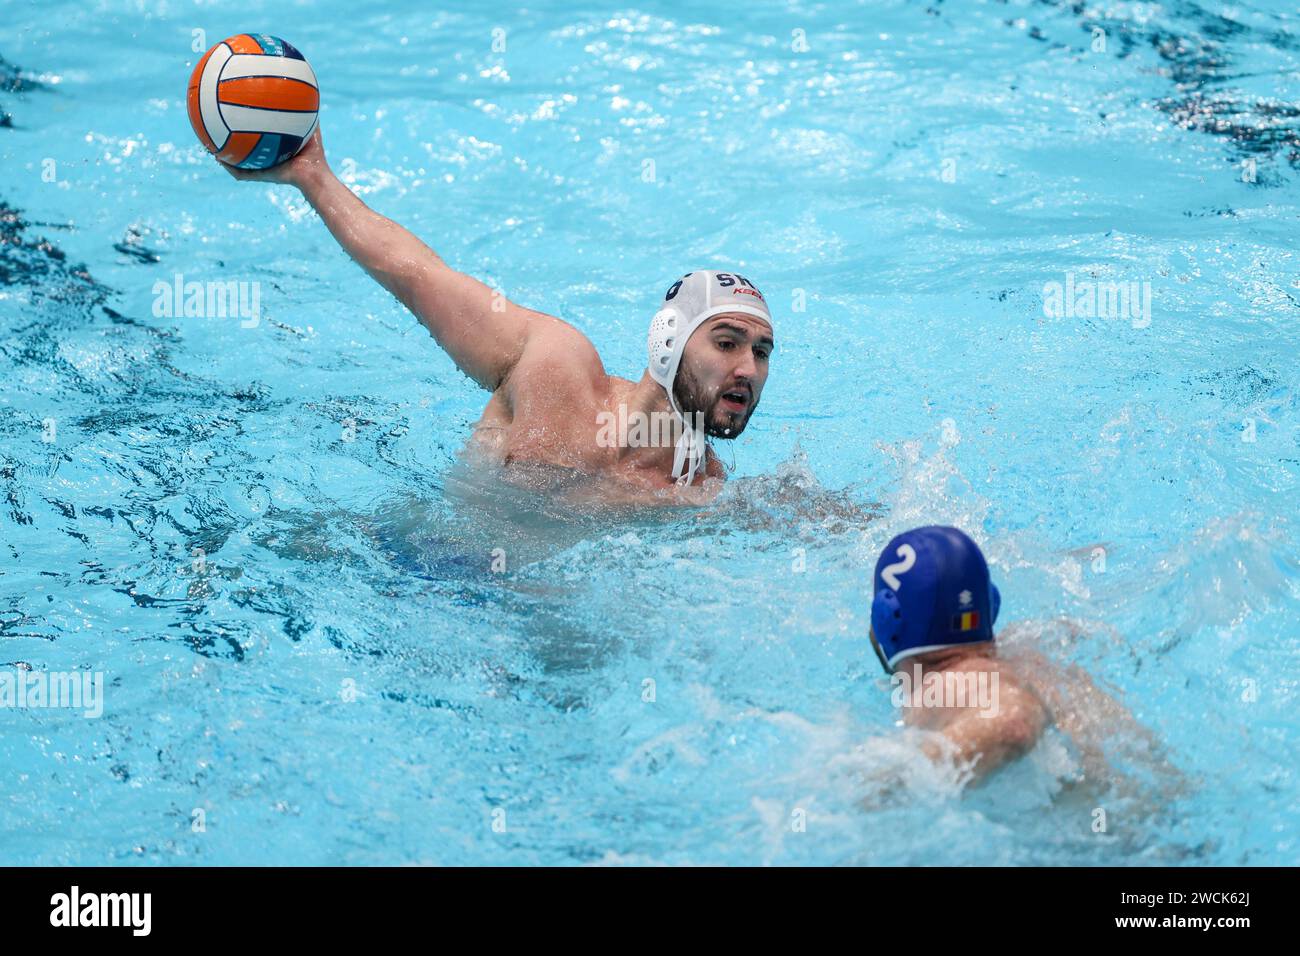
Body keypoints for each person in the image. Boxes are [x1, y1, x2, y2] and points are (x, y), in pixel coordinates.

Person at [219, 129, 774, 505]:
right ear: (668, 341)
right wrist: (313, 176)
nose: (748, 367)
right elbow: (418, 275)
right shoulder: (555, 363)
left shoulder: (702, 492)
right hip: (415, 569)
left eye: (762, 351)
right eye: (727, 343)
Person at [867, 525, 1175, 792]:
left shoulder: (944, 686)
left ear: (885, 621)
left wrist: (896, 783)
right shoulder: (1026, 647)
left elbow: (1014, 721)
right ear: (991, 604)